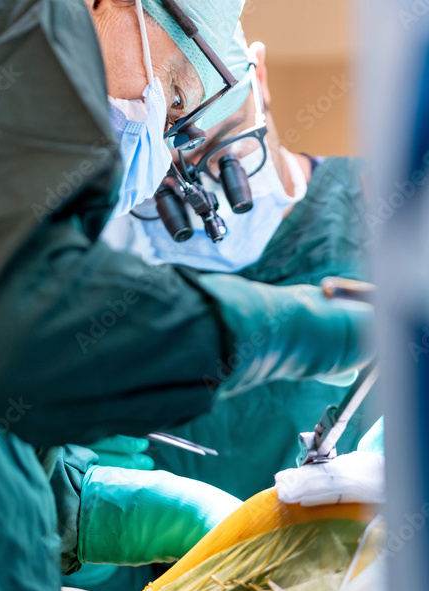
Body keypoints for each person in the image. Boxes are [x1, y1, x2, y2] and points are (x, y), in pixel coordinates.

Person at [0, 0, 373, 591]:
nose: (162, 161)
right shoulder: (5, 27)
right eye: (177, 98)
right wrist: (291, 330)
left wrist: (70, 496)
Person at [102, 25, 378, 502]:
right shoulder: (105, 290)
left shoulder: (386, 213)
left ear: (260, 78)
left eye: (226, 153)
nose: (205, 204)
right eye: (160, 183)